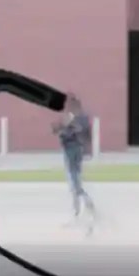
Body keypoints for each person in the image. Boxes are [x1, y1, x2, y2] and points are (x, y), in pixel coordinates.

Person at [52, 93, 96, 229]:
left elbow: (76, 131)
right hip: (74, 149)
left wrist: (65, 127)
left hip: (73, 150)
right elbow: (59, 129)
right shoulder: (77, 117)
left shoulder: (75, 117)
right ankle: (79, 211)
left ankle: (84, 208)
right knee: (75, 181)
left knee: (74, 182)